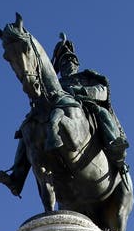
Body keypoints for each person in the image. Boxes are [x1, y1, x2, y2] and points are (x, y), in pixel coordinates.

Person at [51, 34, 129, 169]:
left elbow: (102, 91)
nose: (67, 64)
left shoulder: (86, 76)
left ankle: (114, 146)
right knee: (29, 126)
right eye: (63, 62)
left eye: (71, 60)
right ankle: (17, 174)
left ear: (77, 64)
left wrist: (81, 91)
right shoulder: (56, 84)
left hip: (86, 105)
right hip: (59, 108)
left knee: (102, 113)